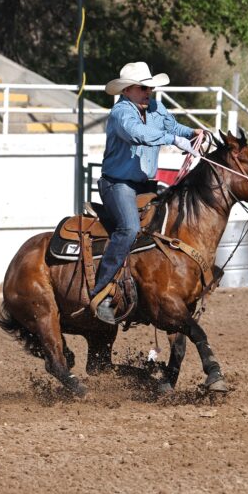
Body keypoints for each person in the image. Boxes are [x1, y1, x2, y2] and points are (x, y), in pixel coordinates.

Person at [91, 62, 202, 324]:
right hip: (118, 184)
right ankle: (101, 293)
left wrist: (193, 133)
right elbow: (137, 134)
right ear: (128, 89)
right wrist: (172, 140)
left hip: (143, 185)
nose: (149, 92)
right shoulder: (121, 113)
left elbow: (172, 126)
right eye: (144, 88)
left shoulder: (153, 107)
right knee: (129, 229)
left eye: (150, 88)